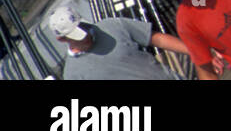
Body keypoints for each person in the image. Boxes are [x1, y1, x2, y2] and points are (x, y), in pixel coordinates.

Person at [47, 6, 192, 81]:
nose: (86, 36)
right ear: (62, 39)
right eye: (77, 36)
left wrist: (197, 52)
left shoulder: (112, 25)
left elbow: (156, 38)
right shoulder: (74, 74)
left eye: (84, 27)